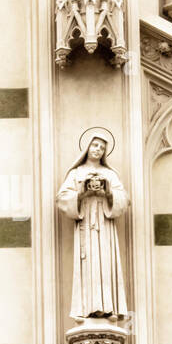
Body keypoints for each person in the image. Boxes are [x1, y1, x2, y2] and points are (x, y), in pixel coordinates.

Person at [56, 128, 129, 322]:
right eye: (95, 145)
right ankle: (86, 307)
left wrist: (108, 193)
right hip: (86, 224)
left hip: (105, 226)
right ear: (87, 147)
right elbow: (62, 199)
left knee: (105, 261)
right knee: (88, 263)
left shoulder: (110, 174)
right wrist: (82, 192)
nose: (98, 150)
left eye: (102, 148)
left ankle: (108, 308)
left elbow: (124, 200)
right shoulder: (76, 173)